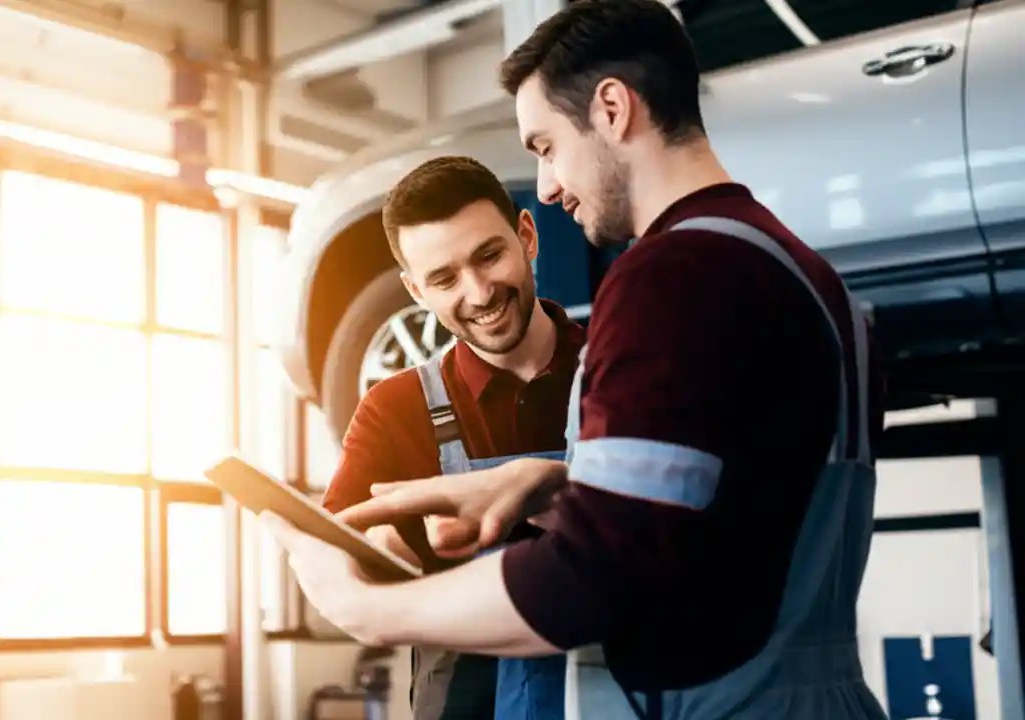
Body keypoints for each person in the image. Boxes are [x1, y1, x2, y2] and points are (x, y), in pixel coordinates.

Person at [265, 1, 888, 719]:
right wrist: (552, 485)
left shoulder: (668, 277)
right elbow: (727, 513)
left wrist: (374, 612)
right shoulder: (805, 273)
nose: (550, 184)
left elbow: (596, 577)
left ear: (613, 109)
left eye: (546, 146)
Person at [319, 155, 584, 719]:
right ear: (415, 289)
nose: (480, 293)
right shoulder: (395, 409)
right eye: (444, 279)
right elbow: (335, 551)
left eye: (489, 256)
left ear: (527, 236)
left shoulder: (618, 371)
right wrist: (391, 553)